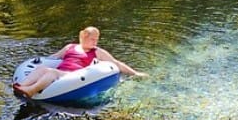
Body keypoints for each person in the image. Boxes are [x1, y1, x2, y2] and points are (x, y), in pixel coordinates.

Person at [13, 25, 145, 97]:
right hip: (59, 71)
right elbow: (52, 58)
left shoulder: (97, 52)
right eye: (93, 39)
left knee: (51, 73)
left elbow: (116, 63)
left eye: (96, 39)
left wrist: (135, 73)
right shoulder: (69, 47)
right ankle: (22, 86)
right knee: (42, 69)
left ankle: (31, 90)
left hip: (71, 76)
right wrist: (38, 61)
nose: (95, 42)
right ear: (83, 37)